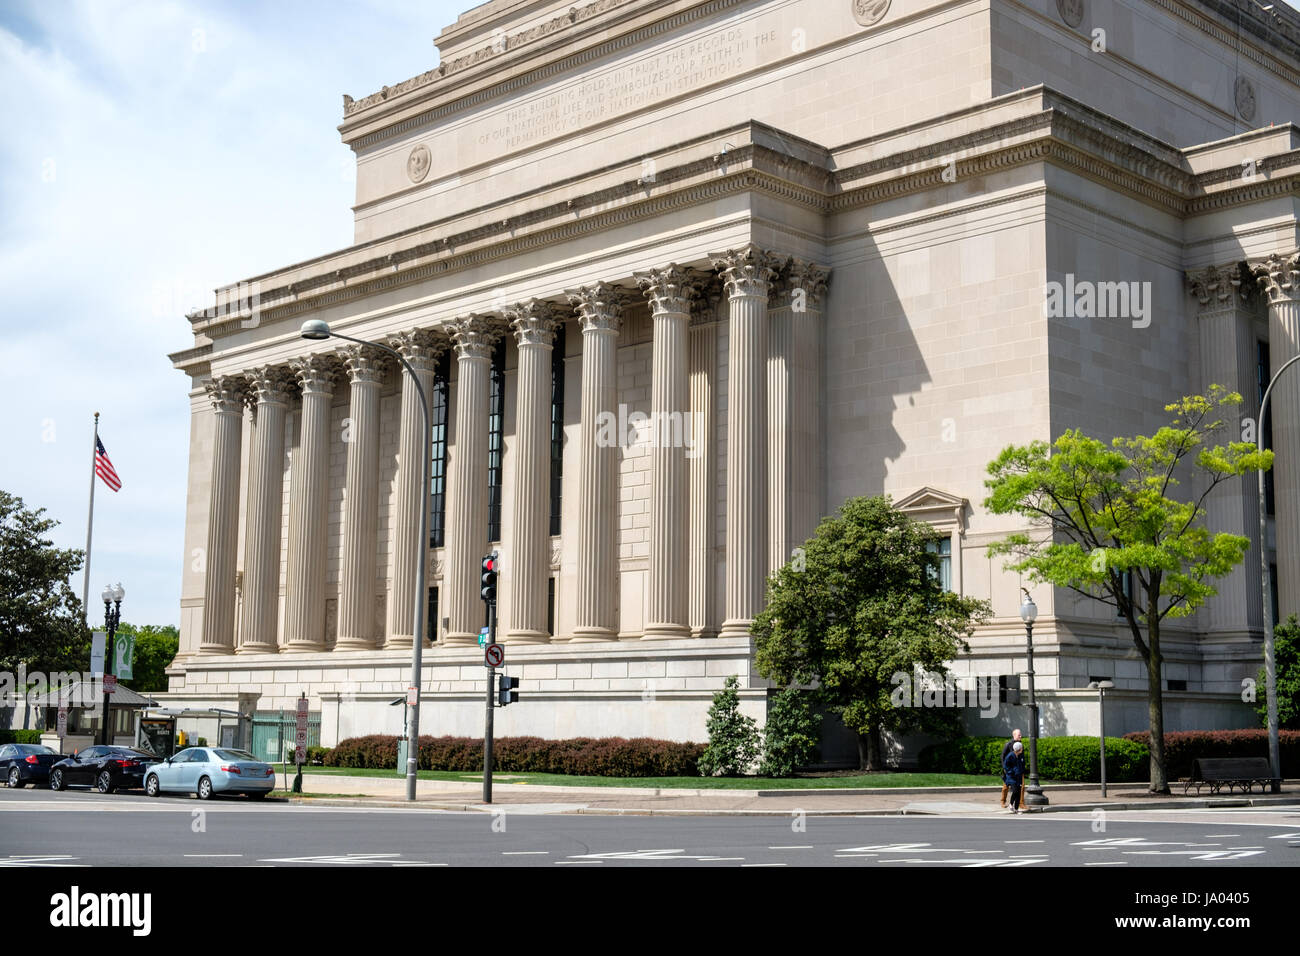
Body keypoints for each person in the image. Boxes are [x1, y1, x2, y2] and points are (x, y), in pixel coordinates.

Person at [999, 729, 1022, 807]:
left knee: (1020, 787)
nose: (1020, 736)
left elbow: (1021, 757)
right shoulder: (1008, 744)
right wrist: (1005, 768)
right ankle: (1003, 801)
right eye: (1019, 735)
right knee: (1006, 786)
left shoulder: (1020, 744)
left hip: (1017, 770)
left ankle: (1020, 803)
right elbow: (1002, 756)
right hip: (1009, 770)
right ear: (1014, 735)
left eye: (1020, 735)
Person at [1004, 740, 1027, 814]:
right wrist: (1011, 772)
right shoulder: (1010, 755)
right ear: (1018, 749)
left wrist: (1022, 771)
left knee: (1019, 793)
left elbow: (1023, 764)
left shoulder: (1021, 756)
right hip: (1012, 777)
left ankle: (1016, 809)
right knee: (1015, 791)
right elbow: (1006, 766)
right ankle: (1011, 805)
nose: (1022, 749)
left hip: (1019, 776)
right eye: (1021, 748)